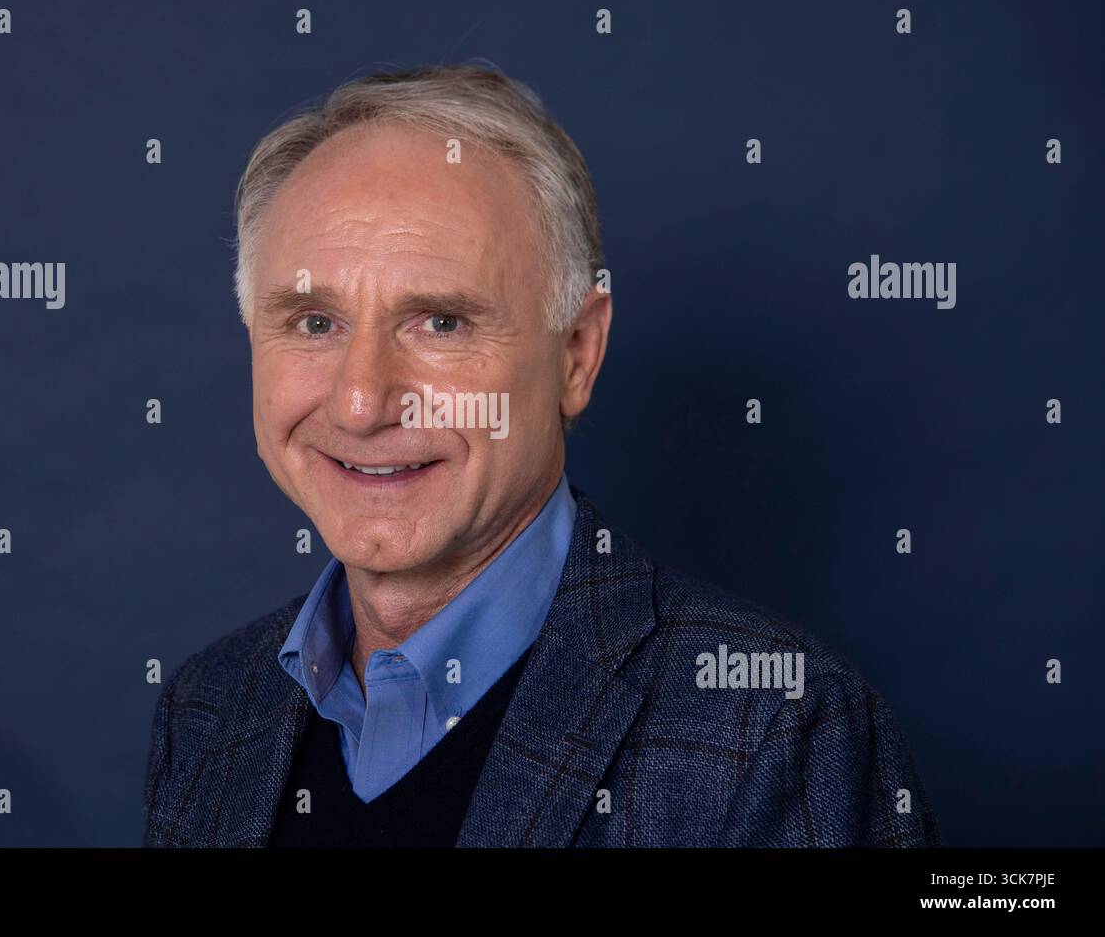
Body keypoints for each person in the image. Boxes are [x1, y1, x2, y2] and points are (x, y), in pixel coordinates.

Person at [143, 64, 940, 847]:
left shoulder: (777, 730)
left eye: (441, 322)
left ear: (576, 356)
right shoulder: (209, 710)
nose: (362, 402)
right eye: (315, 322)